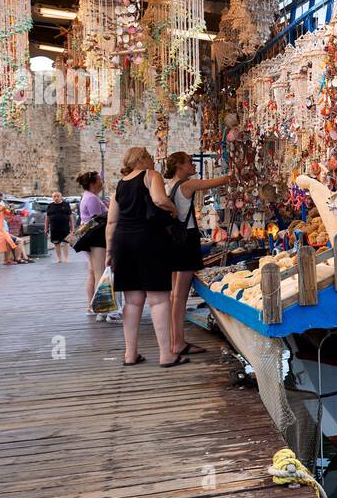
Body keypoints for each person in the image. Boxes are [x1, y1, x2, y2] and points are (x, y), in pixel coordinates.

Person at [106, 146, 184, 367]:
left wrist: (110, 252)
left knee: (132, 301)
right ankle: (166, 355)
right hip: (149, 239)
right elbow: (159, 200)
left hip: (123, 242)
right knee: (158, 299)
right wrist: (173, 209)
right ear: (140, 159)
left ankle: (130, 354)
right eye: (149, 157)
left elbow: (112, 222)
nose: (152, 161)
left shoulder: (119, 186)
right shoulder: (151, 176)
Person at [162, 152, 232, 357]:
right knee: (180, 295)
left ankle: (175, 340)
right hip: (186, 239)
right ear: (179, 166)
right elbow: (217, 181)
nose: (193, 166)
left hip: (175, 240)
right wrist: (234, 174)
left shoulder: (169, 185)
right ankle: (178, 343)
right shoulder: (187, 185)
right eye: (190, 163)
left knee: (175, 294)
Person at [75, 171, 112, 318]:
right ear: (93, 183)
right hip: (96, 239)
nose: (102, 182)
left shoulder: (87, 197)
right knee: (100, 273)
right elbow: (99, 221)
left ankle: (91, 305)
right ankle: (101, 308)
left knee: (92, 272)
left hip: (89, 239)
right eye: (99, 180)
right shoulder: (93, 199)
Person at [45, 191, 72, 264]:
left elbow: (70, 217)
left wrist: (72, 228)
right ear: (52, 197)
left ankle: (66, 258)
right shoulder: (50, 206)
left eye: (58, 196)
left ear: (61, 197)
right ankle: (59, 258)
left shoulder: (66, 205)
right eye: (54, 196)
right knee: (56, 244)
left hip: (65, 228)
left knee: (65, 243)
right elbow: (47, 218)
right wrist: (46, 228)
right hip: (54, 228)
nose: (56, 198)